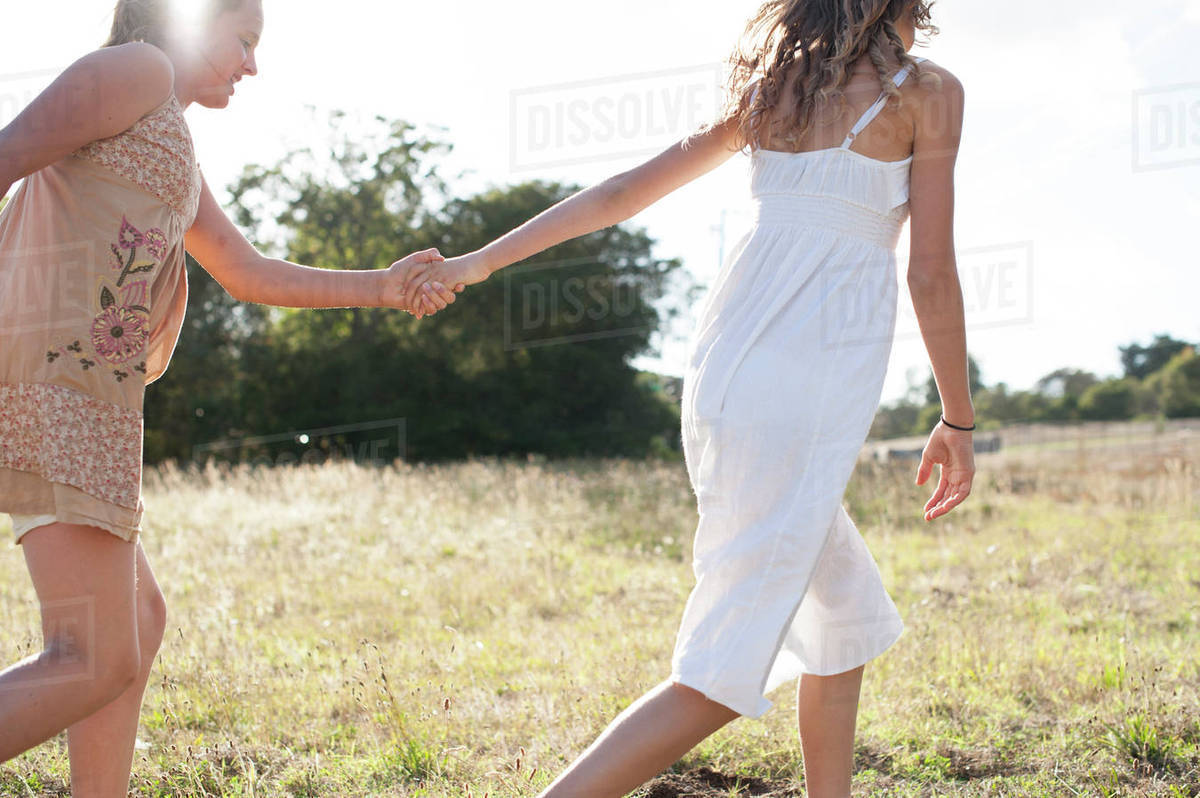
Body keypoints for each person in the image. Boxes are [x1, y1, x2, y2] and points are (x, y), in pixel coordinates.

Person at [409, 0, 976, 795]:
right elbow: (930, 273)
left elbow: (618, 195)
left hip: (723, 375)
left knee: (844, 619)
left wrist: (478, 262)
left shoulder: (777, 89)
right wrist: (957, 417)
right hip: (799, 396)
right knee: (718, 675)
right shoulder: (929, 93)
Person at [0, 1, 458, 793]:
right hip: (54, 388)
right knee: (96, 655)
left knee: (136, 627)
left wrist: (383, 288)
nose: (252, 64)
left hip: (94, 401)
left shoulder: (166, 129)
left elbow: (248, 272)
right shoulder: (137, 70)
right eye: (243, 40)